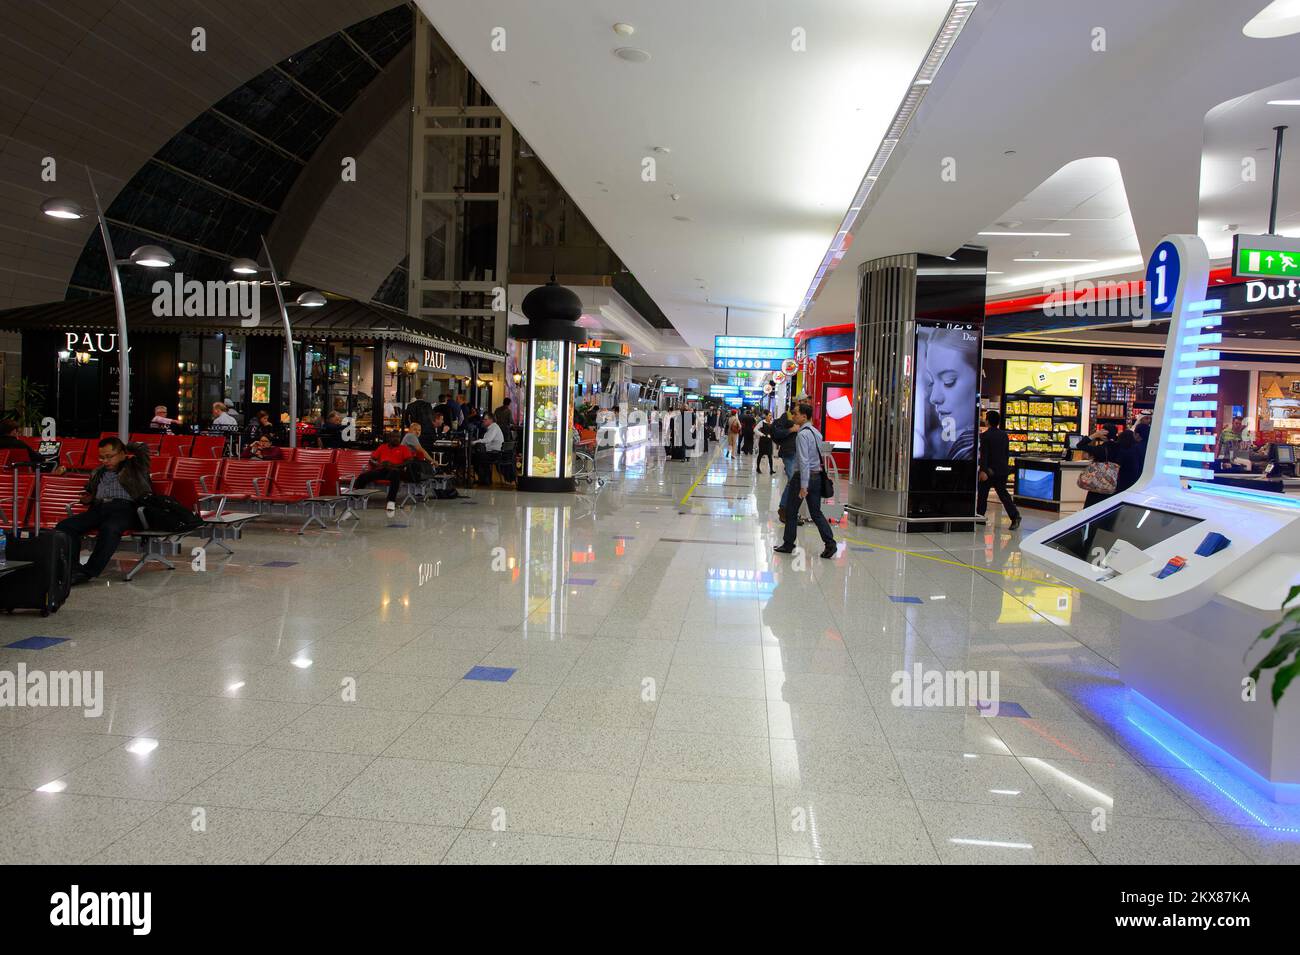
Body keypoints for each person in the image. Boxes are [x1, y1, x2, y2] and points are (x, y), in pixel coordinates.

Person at [57, 437, 153, 584]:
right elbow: (92, 492)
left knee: (110, 528)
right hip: (100, 508)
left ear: (122, 454)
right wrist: (89, 498)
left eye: (109, 456)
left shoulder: (135, 466)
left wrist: (123, 447)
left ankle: (88, 571)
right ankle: (72, 568)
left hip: (126, 509)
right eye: (102, 457)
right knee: (65, 526)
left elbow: (142, 448)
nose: (105, 461)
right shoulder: (98, 471)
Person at [773, 402, 837, 559]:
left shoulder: (802, 435)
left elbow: (804, 461)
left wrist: (803, 485)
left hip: (803, 477)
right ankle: (830, 543)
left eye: (796, 413)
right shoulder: (816, 433)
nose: (793, 416)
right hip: (817, 476)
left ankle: (788, 544)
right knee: (816, 513)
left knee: (791, 511)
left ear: (804, 416)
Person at [914, 324, 978, 460]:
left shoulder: (966, 448)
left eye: (949, 381)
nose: (934, 397)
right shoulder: (945, 442)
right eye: (931, 382)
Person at [976, 410, 1021, 530]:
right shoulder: (1004, 435)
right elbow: (1006, 454)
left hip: (989, 471)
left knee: (983, 494)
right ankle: (1015, 515)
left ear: (988, 421)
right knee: (1003, 494)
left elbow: (984, 455)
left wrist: (983, 470)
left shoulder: (985, 436)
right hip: (1001, 470)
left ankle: (980, 517)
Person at [351, 431, 415, 514]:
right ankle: (355, 496)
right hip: (383, 469)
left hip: (396, 470)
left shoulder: (403, 448)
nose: (396, 439)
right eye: (394, 437)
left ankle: (391, 501)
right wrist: (379, 464)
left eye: (398, 437)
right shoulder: (382, 447)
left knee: (395, 474)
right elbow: (372, 460)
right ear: (389, 438)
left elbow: (409, 461)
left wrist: (395, 465)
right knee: (363, 476)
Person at [770, 405, 800, 523]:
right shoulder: (786, 417)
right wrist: (791, 430)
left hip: (799, 453)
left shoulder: (803, 418)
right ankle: (784, 509)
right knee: (793, 480)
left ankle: (791, 511)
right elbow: (777, 432)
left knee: (796, 481)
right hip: (790, 452)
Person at [1076, 426, 1116, 508]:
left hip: (1097, 487)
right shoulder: (1120, 447)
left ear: (1103, 434)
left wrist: (1094, 435)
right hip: (1112, 487)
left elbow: (1079, 445)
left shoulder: (1100, 449)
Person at [471, 414, 505, 484]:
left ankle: (484, 479)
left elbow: (488, 440)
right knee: (478, 455)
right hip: (495, 453)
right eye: (483, 419)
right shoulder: (493, 427)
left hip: (495, 454)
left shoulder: (494, 427)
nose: (483, 421)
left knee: (476, 457)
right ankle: (484, 479)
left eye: (485, 419)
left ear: (491, 420)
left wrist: (476, 441)